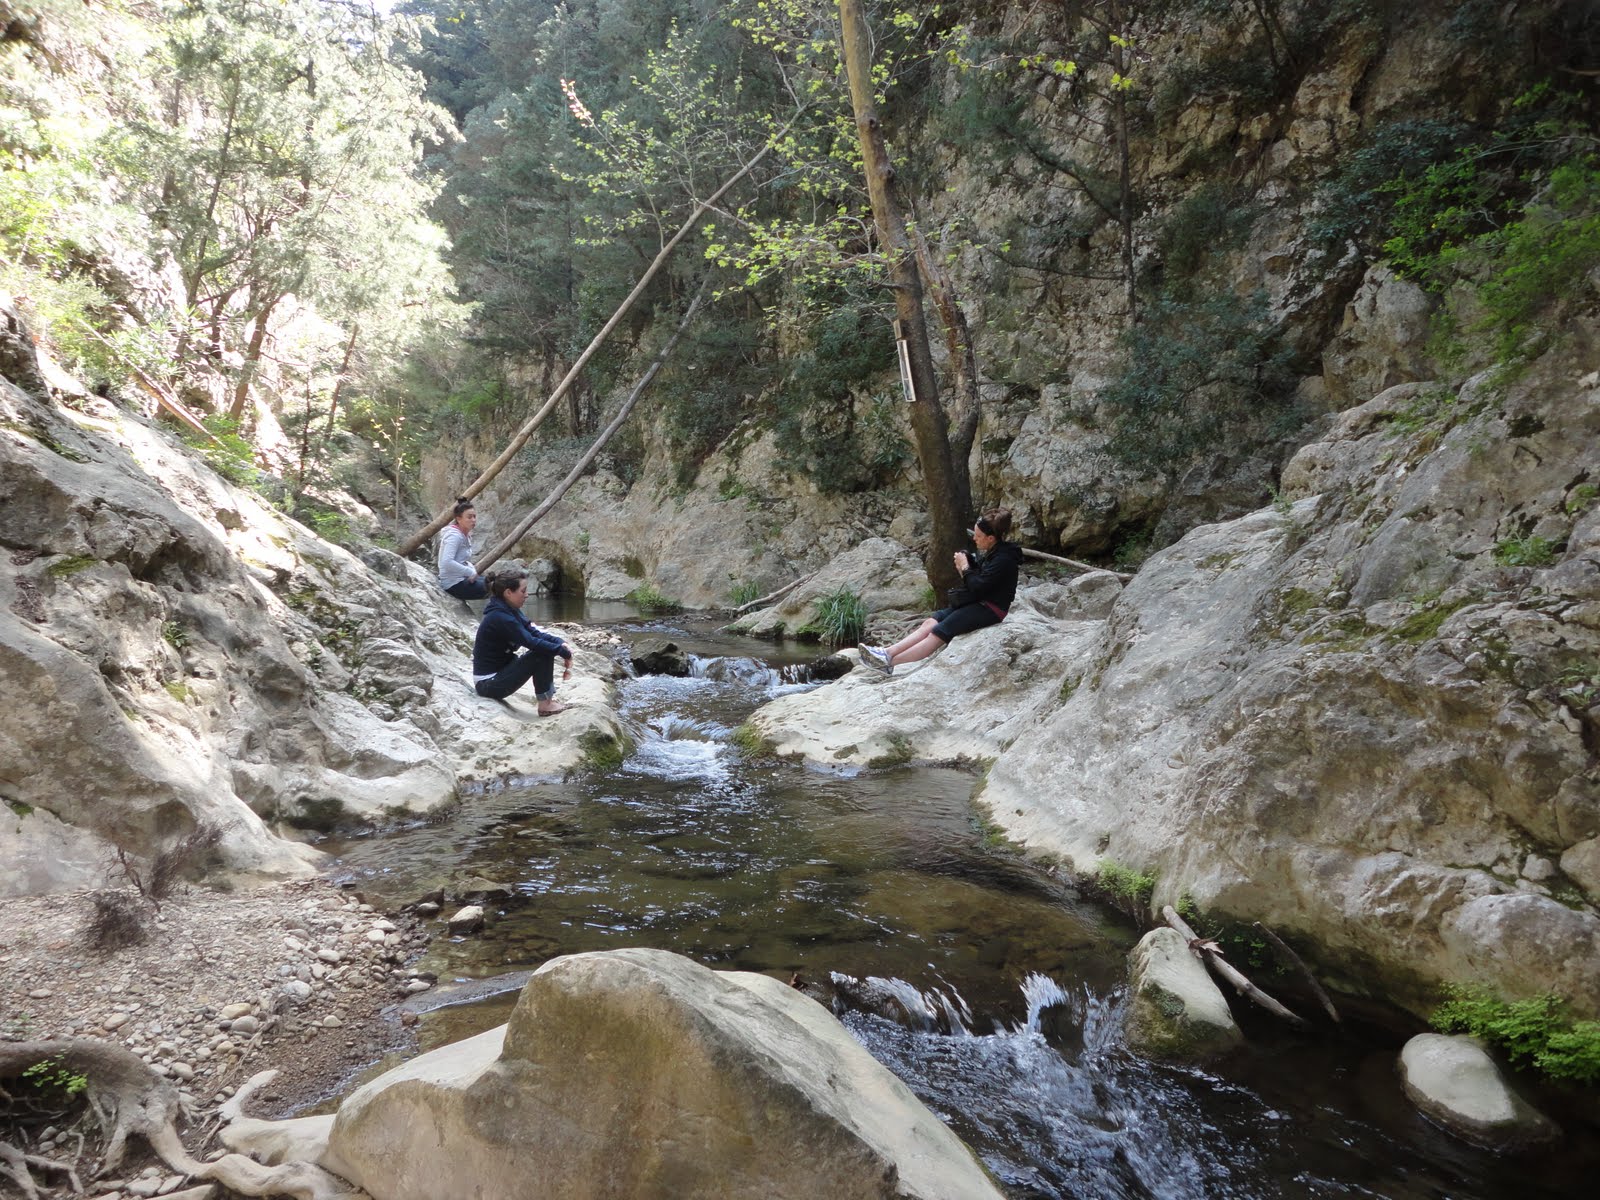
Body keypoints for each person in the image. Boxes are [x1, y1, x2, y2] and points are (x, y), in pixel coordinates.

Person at [858, 507, 1022, 676]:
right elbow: (978, 581)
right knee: (930, 623)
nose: (974, 539)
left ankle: (889, 663)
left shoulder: (1004, 559)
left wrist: (965, 567)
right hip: (978, 601)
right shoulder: (992, 552)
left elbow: (978, 586)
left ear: (991, 538)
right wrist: (967, 565)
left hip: (991, 608)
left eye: (978, 536)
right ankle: (887, 653)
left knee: (938, 632)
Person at [473, 568, 574, 715]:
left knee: (544, 650)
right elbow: (530, 642)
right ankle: (545, 705)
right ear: (508, 592)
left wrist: (559, 642)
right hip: (488, 684)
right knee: (540, 654)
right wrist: (561, 651)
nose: (526, 595)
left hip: (498, 674)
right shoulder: (500, 617)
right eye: (523, 591)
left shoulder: (508, 609)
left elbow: (533, 632)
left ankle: (547, 701)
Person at [438, 497, 487, 600]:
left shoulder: (465, 535)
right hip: (453, 584)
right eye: (469, 517)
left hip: (462, 579)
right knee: (499, 588)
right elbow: (446, 562)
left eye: (474, 516)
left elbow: (463, 561)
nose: (473, 520)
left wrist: (471, 570)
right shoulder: (454, 536)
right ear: (459, 519)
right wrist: (470, 572)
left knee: (498, 582)